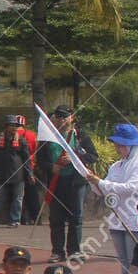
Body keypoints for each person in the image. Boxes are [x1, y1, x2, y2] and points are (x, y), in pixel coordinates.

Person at [87, 123, 138, 274]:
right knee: (124, 264)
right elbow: (103, 190)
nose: (118, 148)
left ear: (132, 145)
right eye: (117, 144)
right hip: (117, 220)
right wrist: (93, 181)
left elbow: (129, 188)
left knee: (136, 264)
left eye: (122, 145)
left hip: (135, 220)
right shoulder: (116, 166)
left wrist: (102, 183)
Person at [39, 106, 95, 262]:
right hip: (56, 183)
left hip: (76, 183)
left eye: (64, 117)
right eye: (58, 117)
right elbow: (40, 161)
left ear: (72, 118)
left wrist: (75, 158)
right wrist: (52, 167)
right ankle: (57, 251)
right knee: (56, 218)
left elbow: (92, 156)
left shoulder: (81, 136)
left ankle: (74, 251)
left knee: (76, 217)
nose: (61, 120)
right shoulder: (47, 137)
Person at [0, 116, 34, 228]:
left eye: (15, 126)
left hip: (18, 174)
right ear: (6, 127)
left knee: (18, 198)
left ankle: (15, 220)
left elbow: (26, 158)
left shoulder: (21, 140)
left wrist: (30, 173)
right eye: (11, 125)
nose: (14, 128)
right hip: (1, 173)